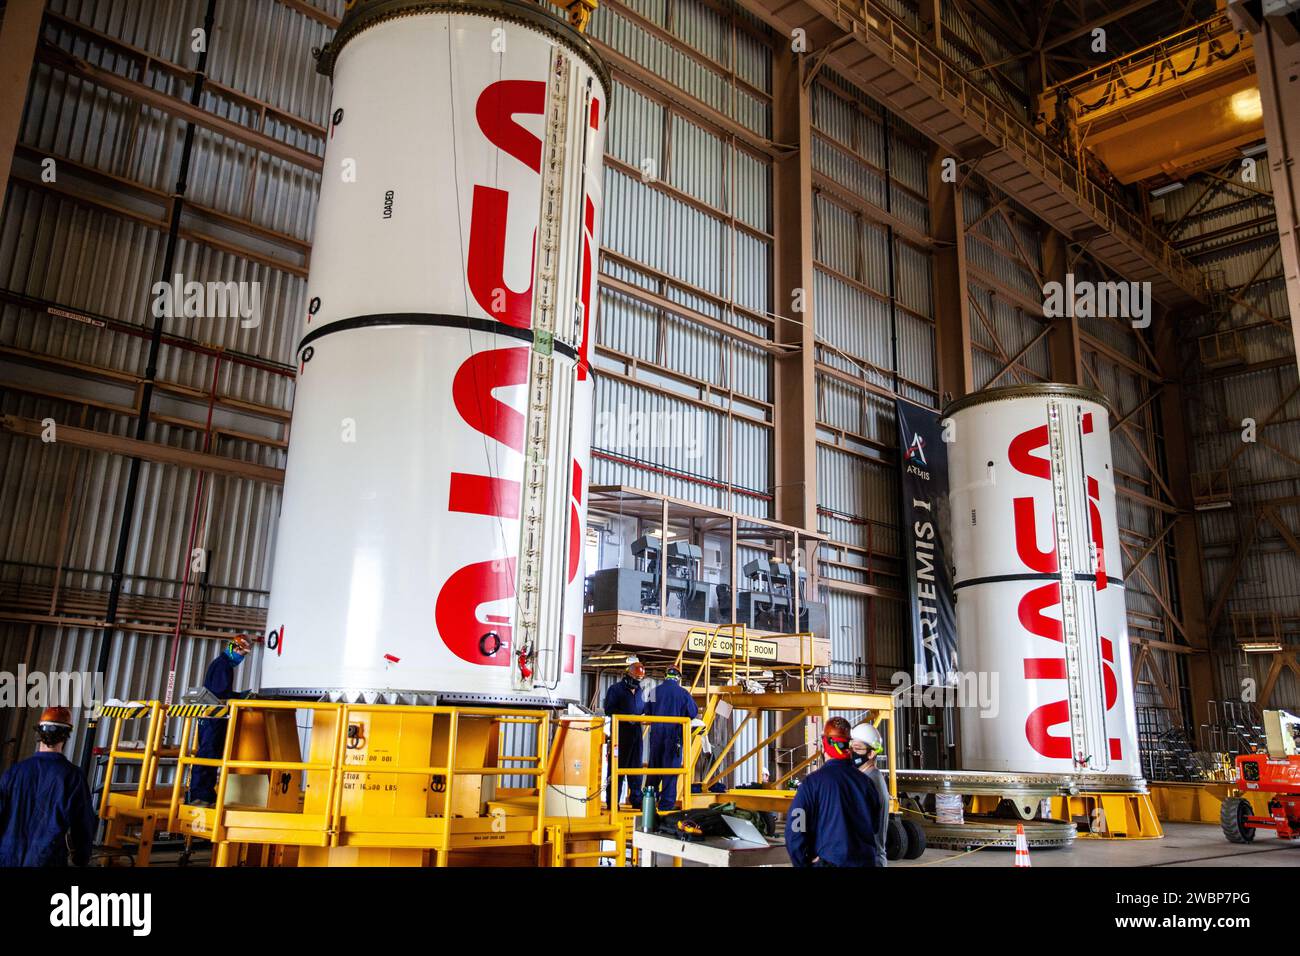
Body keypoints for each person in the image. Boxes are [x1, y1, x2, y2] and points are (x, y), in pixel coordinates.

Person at [0, 707, 97, 867]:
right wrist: (81, 858)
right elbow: (83, 826)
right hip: (47, 860)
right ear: (66, 736)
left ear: (39, 733)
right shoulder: (73, 777)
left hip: (7, 857)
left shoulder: (14, 772)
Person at [786, 716, 882, 867]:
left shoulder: (812, 784)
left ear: (825, 745)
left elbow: (795, 831)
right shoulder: (866, 783)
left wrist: (803, 864)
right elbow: (875, 826)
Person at [187, 635, 252, 806]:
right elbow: (220, 693)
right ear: (236, 649)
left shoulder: (219, 664)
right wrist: (241, 696)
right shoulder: (223, 666)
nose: (241, 658)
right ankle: (200, 795)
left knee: (208, 753)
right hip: (214, 717)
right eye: (242, 654)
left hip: (210, 717)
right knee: (208, 753)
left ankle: (203, 793)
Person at [646, 665, 698, 811]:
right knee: (670, 770)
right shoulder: (683, 693)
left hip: (656, 736)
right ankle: (666, 806)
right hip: (673, 737)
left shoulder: (654, 691)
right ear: (678, 678)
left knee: (653, 769)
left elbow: (647, 711)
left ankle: (648, 802)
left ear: (665, 676)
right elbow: (692, 713)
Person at [603, 657, 646, 807]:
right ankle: (613, 803)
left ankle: (636, 800)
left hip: (636, 734)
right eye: (635, 678)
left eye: (640, 679)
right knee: (617, 769)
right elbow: (609, 709)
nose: (637, 682)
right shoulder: (615, 690)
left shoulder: (641, 691)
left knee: (635, 769)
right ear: (628, 676)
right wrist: (626, 718)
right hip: (621, 734)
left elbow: (644, 708)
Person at [851, 720, 890, 867]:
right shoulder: (866, 777)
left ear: (871, 752)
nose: (852, 753)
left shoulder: (870, 781)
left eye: (857, 748)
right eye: (851, 748)